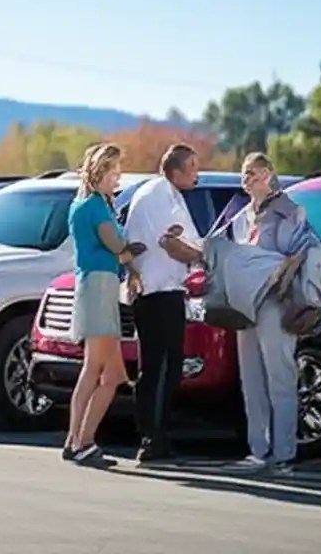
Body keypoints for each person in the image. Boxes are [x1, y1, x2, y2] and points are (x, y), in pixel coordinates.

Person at [62, 143, 146, 465]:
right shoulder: (96, 206)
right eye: (113, 171)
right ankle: (82, 442)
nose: (118, 176)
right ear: (100, 172)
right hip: (98, 286)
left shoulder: (85, 204)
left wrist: (128, 258)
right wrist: (143, 247)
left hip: (99, 285)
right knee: (97, 370)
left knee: (110, 374)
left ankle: (76, 441)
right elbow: (117, 246)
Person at [222, 152, 305, 476]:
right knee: (251, 380)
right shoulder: (241, 217)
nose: (248, 180)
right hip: (246, 305)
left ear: (269, 174)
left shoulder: (289, 211)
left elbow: (302, 252)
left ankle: (284, 454)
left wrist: (280, 274)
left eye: (254, 173)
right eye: (244, 174)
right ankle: (258, 449)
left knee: (280, 377)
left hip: (276, 302)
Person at [120, 143, 202, 463]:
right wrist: (203, 259)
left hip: (160, 290)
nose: (197, 171)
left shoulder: (161, 194)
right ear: (176, 170)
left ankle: (156, 435)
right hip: (160, 292)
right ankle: (151, 438)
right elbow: (171, 244)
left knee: (159, 366)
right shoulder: (160, 196)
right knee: (161, 366)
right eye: (193, 165)